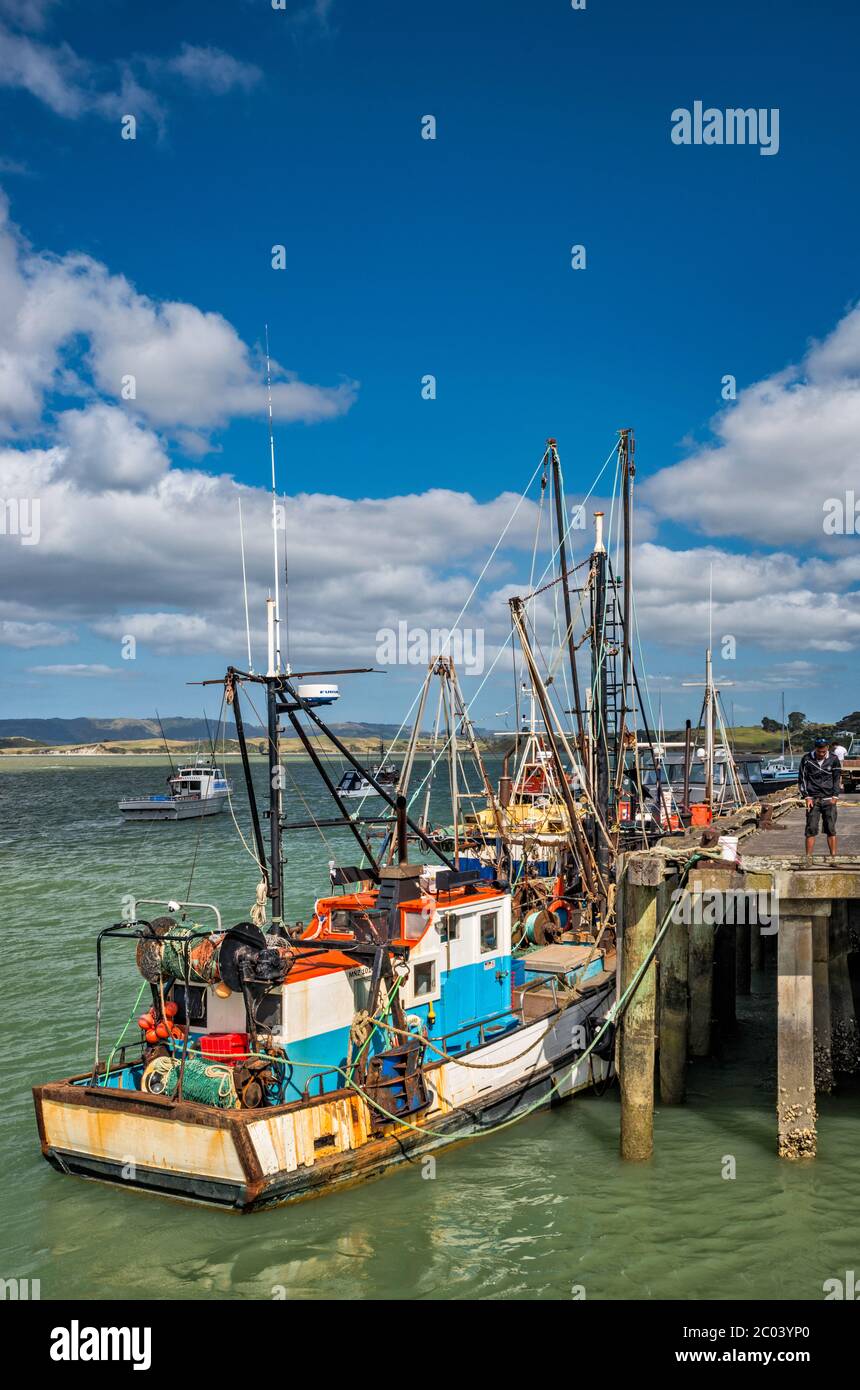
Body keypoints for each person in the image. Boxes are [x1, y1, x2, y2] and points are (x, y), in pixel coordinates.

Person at [798, 737, 841, 855]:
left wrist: (835, 796)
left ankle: (833, 858)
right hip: (813, 799)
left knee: (831, 830)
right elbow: (802, 779)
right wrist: (807, 797)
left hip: (829, 799)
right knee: (810, 829)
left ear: (828, 747)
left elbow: (837, 778)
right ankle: (808, 858)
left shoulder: (834, 759)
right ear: (815, 748)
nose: (821, 754)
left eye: (824, 751)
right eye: (819, 751)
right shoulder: (806, 759)